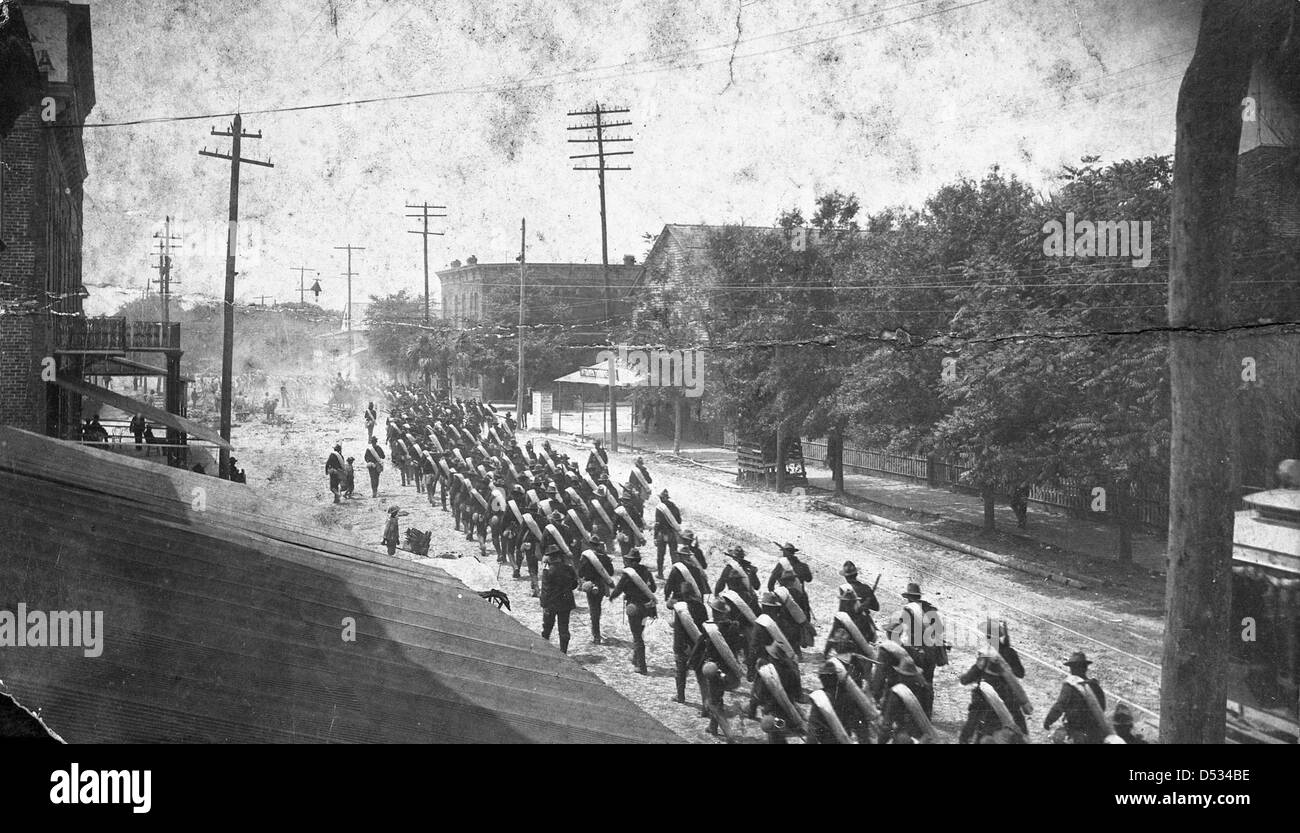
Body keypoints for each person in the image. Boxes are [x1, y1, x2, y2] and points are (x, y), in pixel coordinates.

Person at [688, 597, 747, 737]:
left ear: (714, 612)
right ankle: (712, 727)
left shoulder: (711, 628)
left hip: (713, 668)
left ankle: (729, 734)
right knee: (717, 697)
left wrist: (691, 661)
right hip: (728, 669)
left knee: (714, 702)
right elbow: (738, 646)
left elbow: (700, 645)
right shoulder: (733, 628)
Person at [609, 548, 657, 674]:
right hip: (647, 608)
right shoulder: (646, 571)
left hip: (634, 608)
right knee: (639, 632)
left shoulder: (628, 574)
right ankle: (636, 658)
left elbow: (618, 589)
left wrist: (612, 597)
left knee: (637, 637)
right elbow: (654, 588)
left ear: (632, 561)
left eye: (629, 560)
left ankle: (641, 666)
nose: (627, 562)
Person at [1043, 651, 1109, 744]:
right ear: (1085, 668)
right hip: (1095, 733)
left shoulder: (1071, 686)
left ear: (1072, 669)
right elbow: (1102, 707)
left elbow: (1059, 706)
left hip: (1077, 732)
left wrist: (1048, 720)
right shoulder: (1095, 686)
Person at [878, 656, 933, 744]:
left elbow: (886, 726)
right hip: (923, 734)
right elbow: (928, 715)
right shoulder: (926, 688)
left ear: (901, 675)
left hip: (904, 737)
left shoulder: (898, 692)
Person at [668, 582, 708, 705]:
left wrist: (679, 647)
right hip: (698, 644)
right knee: (701, 677)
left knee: (680, 672)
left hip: (684, 646)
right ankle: (705, 704)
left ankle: (680, 696)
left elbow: (679, 631)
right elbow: (705, 626)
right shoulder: (701, 607)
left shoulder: (681, 609)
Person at [539, 546, 579, 654]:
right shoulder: (569, 568)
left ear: (550, 557)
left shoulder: (548, 571)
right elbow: (575, 584)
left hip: (551, 604)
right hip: (566, 602)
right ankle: (563, 652)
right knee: (564, 629)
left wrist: (544, 605)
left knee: (547, 627)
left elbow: (545, 590)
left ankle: (544, 650)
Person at [577, 541, 615, 644]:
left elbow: (580, 572)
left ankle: (596, 635)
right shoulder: (604, 557)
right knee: (597, 607)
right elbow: (611, 572)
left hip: (591, 585)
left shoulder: (586, 557)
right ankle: (596, 632)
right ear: (599, 546)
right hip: (602, 585)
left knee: (593, 609)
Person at [653, 488, 682, 578]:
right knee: (674, 555)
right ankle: (676, 574)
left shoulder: (659, 508)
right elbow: (679, 521)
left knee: (660, 555)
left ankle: (660, 573)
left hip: (662, 533)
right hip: (672, 533)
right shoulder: (674, 506)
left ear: (661, 498)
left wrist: (655, 536)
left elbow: (657, 523)